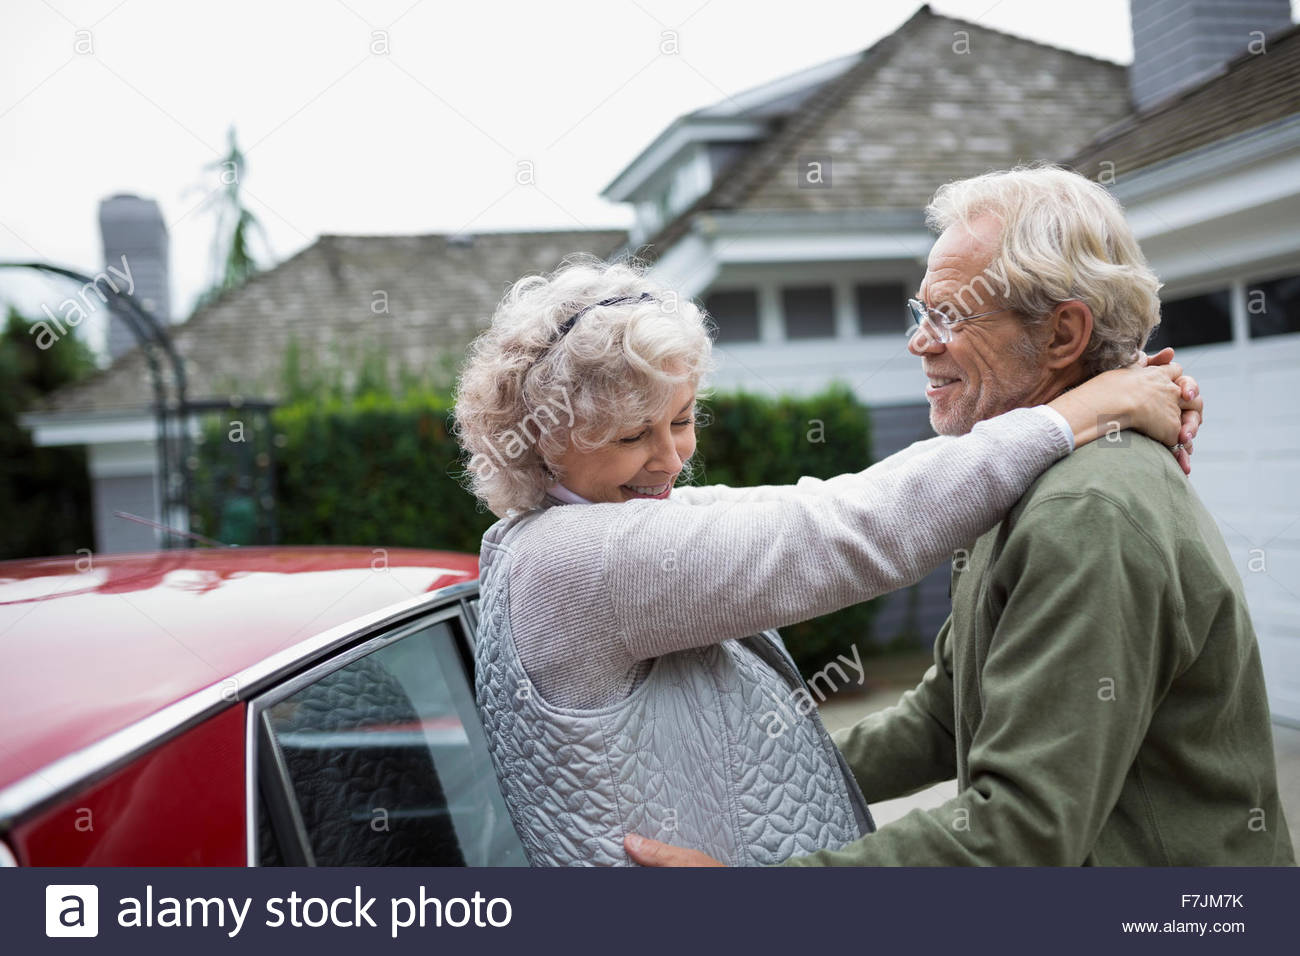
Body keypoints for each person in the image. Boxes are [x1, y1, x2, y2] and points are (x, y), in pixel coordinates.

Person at [624, 166, 1292, 868]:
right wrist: (750, 783)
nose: (918, 342)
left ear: (1063, 334)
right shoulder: (1020, 480)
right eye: (921, 314)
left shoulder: (1085, 511)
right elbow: (944, 717)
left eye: (949, 315)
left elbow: (1020, 833)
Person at [453, 250, 1202, 867]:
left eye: (681, 420)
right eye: (630, 436)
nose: (668, 459)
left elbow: (823, 498)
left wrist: (1120, 393)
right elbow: (849, 531)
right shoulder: (579, 562)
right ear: (547, 440)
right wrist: (1084, 410)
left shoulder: (609, 524)